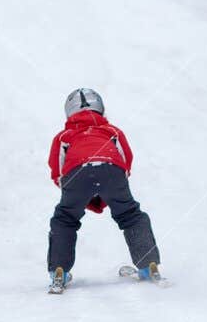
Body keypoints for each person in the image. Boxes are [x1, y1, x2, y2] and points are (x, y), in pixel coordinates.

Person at [46, 88, 161, 293]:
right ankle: (147, 264)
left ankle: (59, 271)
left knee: (65, 218)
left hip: (76, 171)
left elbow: (57, 170)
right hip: (111, 168)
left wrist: (77, 193)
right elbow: (126, 159)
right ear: (101, 109)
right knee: (130, 214)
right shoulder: (112, 131)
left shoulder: (64, 136)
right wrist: (112, 188)